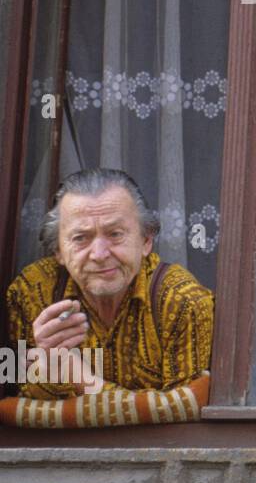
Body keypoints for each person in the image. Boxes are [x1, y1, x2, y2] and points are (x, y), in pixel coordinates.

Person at [5, 168, 213, 402]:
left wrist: (83, 380)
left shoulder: (181, 300)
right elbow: (19, 412)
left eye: (115, 234)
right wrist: (44, 373)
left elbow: (183, 416)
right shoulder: (33, 292)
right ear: (58, 251)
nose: (99, 254)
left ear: (146, 241)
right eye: (80, 238)